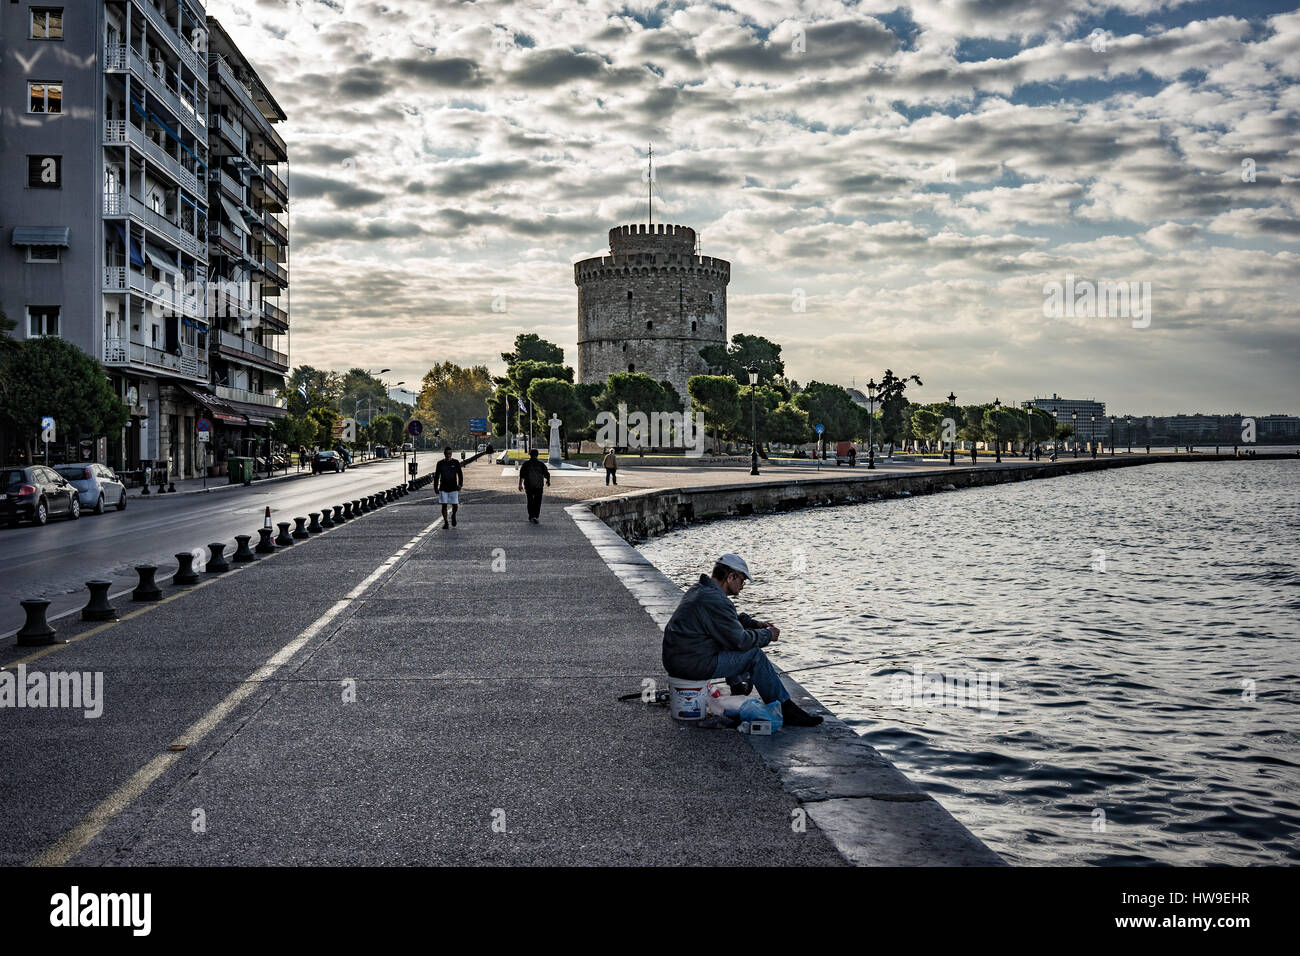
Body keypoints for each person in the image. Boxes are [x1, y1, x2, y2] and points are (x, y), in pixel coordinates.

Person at [662, 553, 823, 728]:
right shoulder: (714, 600)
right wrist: (768, 635)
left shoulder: (700, 590)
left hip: (680, 659)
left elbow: (727, 622)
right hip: (691, 664)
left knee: (729, 641)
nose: (743, 586)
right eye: (742, 580)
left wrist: (754, 624)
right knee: (753, 654)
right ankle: (786, 708)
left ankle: (738, 691)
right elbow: (740, 641)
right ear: (731, 576)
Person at [433, 445, 463, 528]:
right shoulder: (440, 463)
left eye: (449, 453)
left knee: (455, 505)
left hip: (453, 487)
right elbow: (437, 476)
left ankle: (453, 515)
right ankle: (446, 522)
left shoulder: (456, 462)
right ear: (444, 454)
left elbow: (460, 475)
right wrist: (435, 487)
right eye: (446, 453)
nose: (448, 455)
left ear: (451, 454)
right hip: (443, 487)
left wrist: (460, 484)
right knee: (444, 506)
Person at [518, 448, 550, 523]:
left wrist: (520, 484)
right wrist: (548, 481)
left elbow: (522, 475)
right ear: (537, 455)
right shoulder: (541, 464)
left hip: (528, 485)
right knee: (537, 501)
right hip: (539, 486)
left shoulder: (526, 464)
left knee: (530, 501)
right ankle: (536, 516)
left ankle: (531, 516)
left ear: (530, 455)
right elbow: (546, 474)